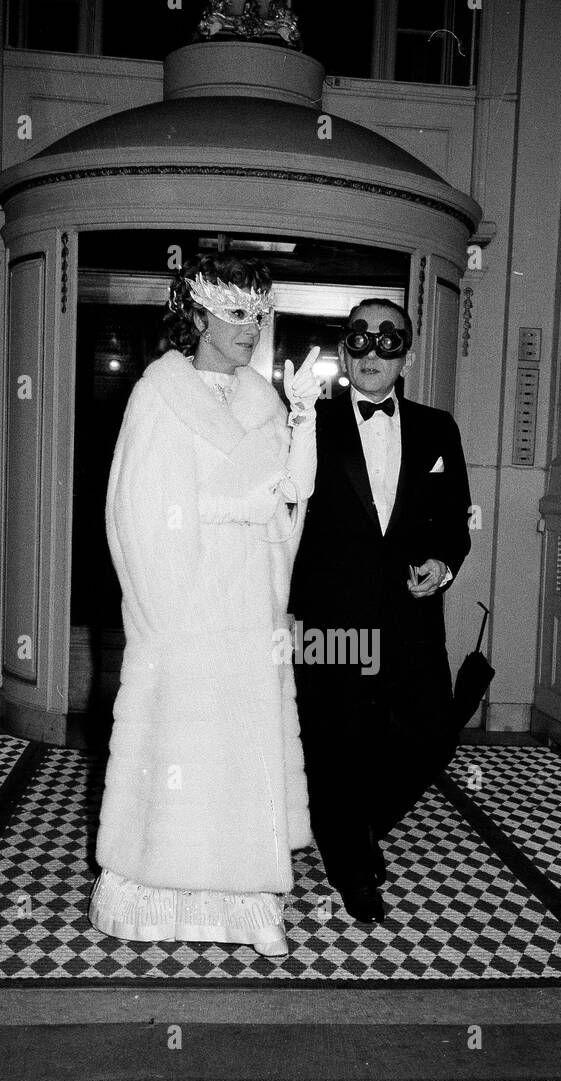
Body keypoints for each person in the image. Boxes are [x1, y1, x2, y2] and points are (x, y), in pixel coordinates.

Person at [88, 253, 320, 958]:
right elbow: (137, 509)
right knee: (178, 749)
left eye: (258, 312)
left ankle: (243, 903)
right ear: (196, 315)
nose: (250, 327)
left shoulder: (263, 399)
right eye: (234, 313)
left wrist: (304, 414)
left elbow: (291, 498)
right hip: (185, 603)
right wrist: (168, 603)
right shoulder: (158, 396)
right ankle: (155, 894)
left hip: (247, 600)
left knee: (240, 750)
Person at [289, 299, 471, 923]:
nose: (371, 354)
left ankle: (354, 824)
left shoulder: (437, 428)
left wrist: (443, 565)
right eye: (359, 340)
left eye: (387, 341)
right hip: (328, 620)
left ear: (407, 356)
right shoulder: (310, 422)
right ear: (345, 351)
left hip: (410, 617)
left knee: (429, 735)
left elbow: (454, 523)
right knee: (336, 740)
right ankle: (354, 865)